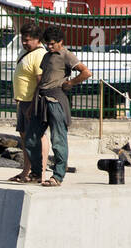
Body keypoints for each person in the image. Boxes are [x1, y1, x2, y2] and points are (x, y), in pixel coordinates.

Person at [31, 26, 92, 187]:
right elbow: (43, 78)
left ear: (60, 42)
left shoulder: (66, 55)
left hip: (56, 101)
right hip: (41, 100)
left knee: (58, 140)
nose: (49, 47)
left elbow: (86, 72)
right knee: (31, 138)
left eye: (52, 44)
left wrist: (70, 83)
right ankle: (37, 173)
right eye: (47, 44)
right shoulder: (46, 56)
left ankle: (57, 176)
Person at [9, 24, 46, 184]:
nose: (24, 42)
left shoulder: (39, 55)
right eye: (23, 39)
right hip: (23, 101)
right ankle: (27, 170)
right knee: (25, 137)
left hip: (32, 103)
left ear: (37, 39)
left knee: (39, 137)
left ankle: (41, 171)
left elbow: (41, 81)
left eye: (27, 40)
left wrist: (33, 105)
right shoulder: (27, 53)